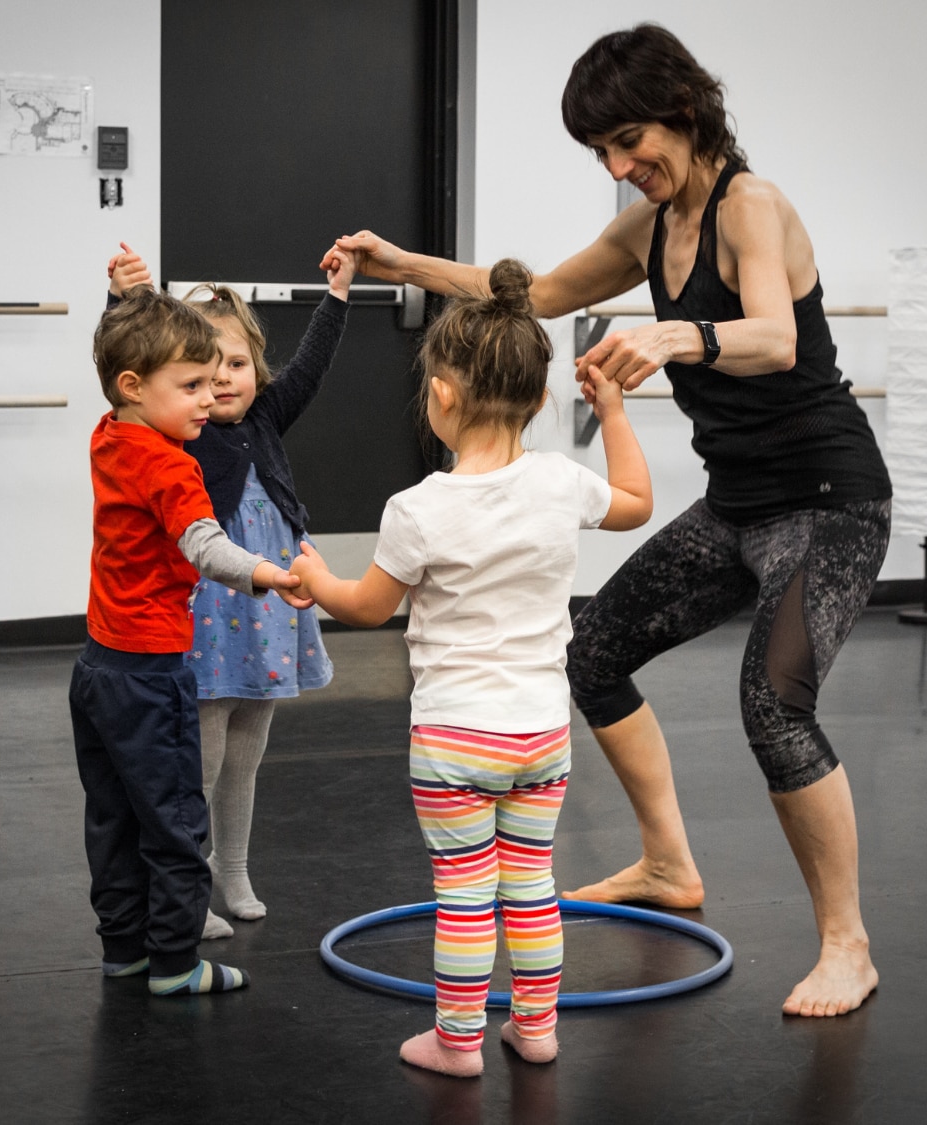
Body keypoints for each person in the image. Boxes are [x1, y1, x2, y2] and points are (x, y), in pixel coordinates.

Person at [331, 23, 892, 1018]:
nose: (619, 168)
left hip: (829, 503)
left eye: (628, 142)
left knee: (774, 702)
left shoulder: (748, 206)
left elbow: (769, 336)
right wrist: (401, 265)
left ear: (682, 110)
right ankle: (667, 865)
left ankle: (845, 945)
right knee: (589, 655)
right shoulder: (647, 229)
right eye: (602, 153)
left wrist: (676, 330)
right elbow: (536, 295)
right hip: (737, 504)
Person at [290, 259, 651, 1075]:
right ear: (541, 398)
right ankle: (538, 1029)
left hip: (455, 740)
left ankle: (456, 1043)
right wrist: (616, 411)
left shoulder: (418, 509)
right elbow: (634, 499)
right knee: (530, 887)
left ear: (442, 397)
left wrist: (313, 580)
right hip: (540, 736)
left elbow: (367, 606)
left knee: (463, 896)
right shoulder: (562, 483)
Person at [103, 242, 354, 939]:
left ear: (256, 369)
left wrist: (338, 293)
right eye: (203, 374)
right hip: (211, 607)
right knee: (203, 750)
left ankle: (232, 867)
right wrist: (128, 297)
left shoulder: (268, 415)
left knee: (250, 743)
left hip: (268, 606)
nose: (221, 385)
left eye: (236, 366)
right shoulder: (174, 435)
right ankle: (184, 881)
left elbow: (311, 367)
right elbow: (127, 358)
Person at [72, 286, 310, 996]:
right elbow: (206, 545)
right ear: (134, 386)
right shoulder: (174, 465)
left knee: (112, 816)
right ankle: (175, 961)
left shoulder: (110, 434)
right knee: (177, 818)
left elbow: (124, 350)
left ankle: (125, 948)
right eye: (192, 385)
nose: (208, 399)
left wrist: (126, 297)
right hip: (152, 671)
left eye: (213, 381)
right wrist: (267, 572)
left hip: (96, 669)